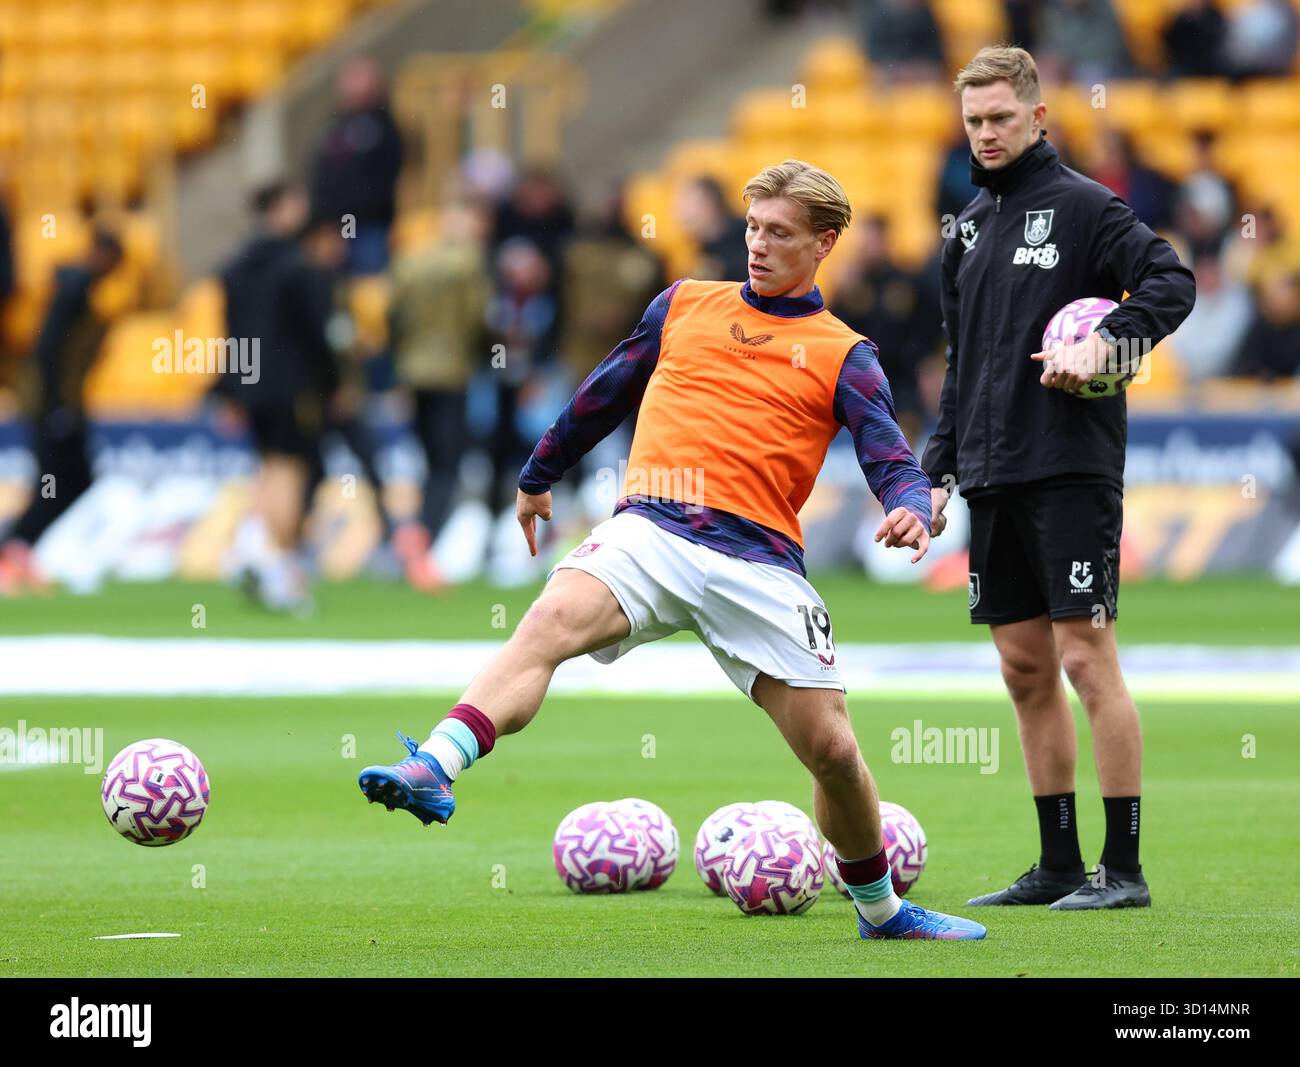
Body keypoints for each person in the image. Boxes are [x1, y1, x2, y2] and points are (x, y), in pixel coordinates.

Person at [358, 159, 988, 942]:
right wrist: (538, 471)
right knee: (550, 621)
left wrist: (907, 506)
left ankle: (883, 912)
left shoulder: (843, 351)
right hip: (650, 529)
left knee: (831, 749)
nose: (757, 245)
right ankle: (436, 764)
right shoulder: (684, 303)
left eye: (780, 233)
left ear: (825, 242)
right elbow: (605, 388)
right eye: (754, 227)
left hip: (757, 562)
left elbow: (889, 453)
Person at [924, 46, 1195, 910]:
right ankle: (1057, 864)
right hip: (994, 475)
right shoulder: (963, 227)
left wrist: (1108, 342)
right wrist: (935, 471)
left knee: (1085, 656)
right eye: (974, 120)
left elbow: (1171, 280)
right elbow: (961, 365)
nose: (987, 133)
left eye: (1001, 117)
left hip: (1071, 468)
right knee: (1022, 667)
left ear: (1037, 116)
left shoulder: (1084, 207)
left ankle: (1125, 869)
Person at [213, 182, 339, 615]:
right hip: (292, 385)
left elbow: (231, 332)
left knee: (268, 466)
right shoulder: (297, 267)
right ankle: (277, 566)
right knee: (290, 470)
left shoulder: (235, 266)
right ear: (282, 208)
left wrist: (229, 387)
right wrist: (333, 384)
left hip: (251, 384)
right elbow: (316, 335)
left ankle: (251, 547)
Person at [0, 230, 122, 593]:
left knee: (72, 481)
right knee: (55, 486)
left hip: (60, 407)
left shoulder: (75, 289)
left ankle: (19, 549)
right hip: (53, 408)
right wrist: (56, 409)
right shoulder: (73, 292)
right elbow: (49, 352)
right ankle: (13, 550)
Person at [309, 56, 404, 276]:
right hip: (335, 230)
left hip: (370, 227)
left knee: (369, 289)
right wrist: (326, 223)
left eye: (362, 76)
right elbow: (320, 173)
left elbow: (386, 175)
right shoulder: (334, 124)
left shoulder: (382, 124)